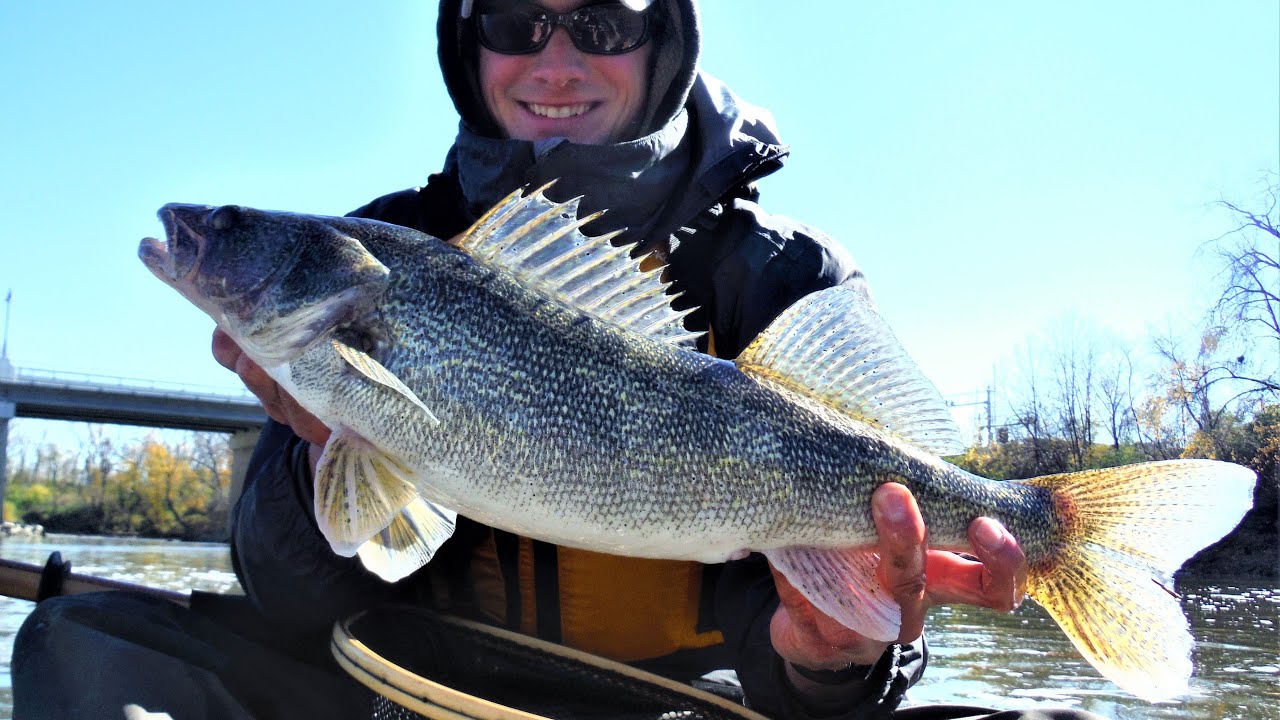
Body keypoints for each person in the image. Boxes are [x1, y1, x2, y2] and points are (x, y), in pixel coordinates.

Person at [13, 2, 1106, 719]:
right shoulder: (389, 249)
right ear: (465, 44)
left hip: (692, 703)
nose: (556, 58)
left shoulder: (783, 277)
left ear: (665, 40)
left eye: (602, 19)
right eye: (512, 18)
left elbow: (830, 678)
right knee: (86, 644)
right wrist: (316, 462)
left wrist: (832, 658)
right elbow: (296, 603)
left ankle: (1080, 539)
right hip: (412, 690)